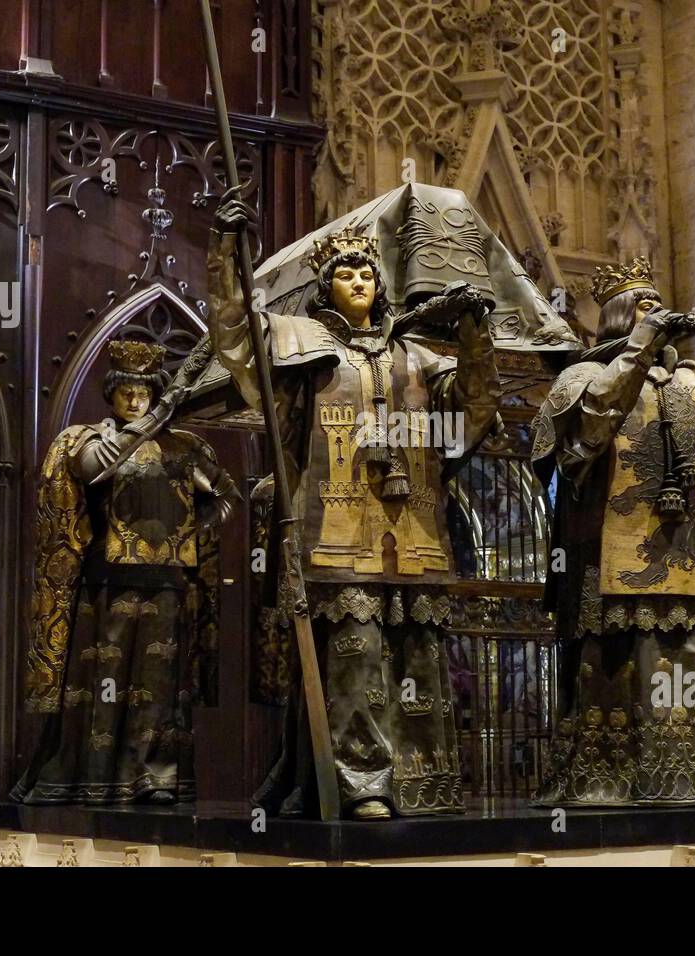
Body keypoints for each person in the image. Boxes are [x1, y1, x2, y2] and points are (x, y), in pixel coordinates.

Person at [208, 188, 501, 819]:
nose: (360, 280)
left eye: (369, 271)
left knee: (417, 662)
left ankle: (421, 782)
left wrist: (476, 335)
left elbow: (471, 412)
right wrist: (229, 256)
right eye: (345, 271)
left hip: (413, 530)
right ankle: (360, 783)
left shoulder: (418, 357)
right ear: (324, 285)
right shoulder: (301, 344)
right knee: (355, 659)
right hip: (336, 535)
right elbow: (239, 340)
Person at [529, 257, 695, 807]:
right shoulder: (580, 377)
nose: (656, 311)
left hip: (687, 553)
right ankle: (608, 783)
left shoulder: (693, 383)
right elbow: (589, 428)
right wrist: (641, 348)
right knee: (619, 669)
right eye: (643, 306)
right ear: (620, 317)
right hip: (608, 560)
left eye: (658, 302)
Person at [14, 338, 238, 804]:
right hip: (106, 582)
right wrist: (161, 413)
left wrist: (196, 529)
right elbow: (98, 468)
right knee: (103, 685)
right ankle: (88, 777)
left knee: (158, 688)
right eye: (126, 391)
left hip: (168, 581)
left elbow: (225, 495)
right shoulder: (86, 439)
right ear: (111, 394)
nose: (136, 400)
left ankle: (155, 776)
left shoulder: (184, 447)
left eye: (145, 391)